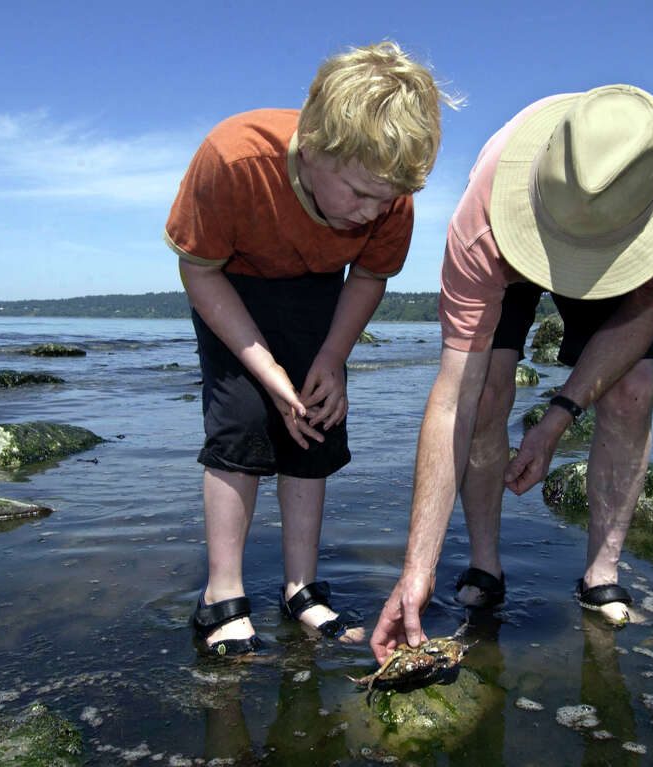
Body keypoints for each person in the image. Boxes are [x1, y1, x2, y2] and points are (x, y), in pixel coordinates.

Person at [370, 85, 653, 662]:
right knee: (486, 393)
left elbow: (642, 317)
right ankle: (484, 565)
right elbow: (451, 401)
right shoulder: (481, 221)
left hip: (627, 248)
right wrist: (417, 570)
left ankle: (601, 572)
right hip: (521, 230)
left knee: (632, 391)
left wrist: (556, 420)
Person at [166, 42, 455, 656]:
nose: (372, 212)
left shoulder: (387, 192)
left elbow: (370, 276)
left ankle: (300, 588)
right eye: (359, 193)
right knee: (240, 426)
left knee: (314, 422)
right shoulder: (234, 158)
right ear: (317, 143)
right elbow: (199, 270)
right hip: (231, 281)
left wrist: (331, 358)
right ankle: (222, 594)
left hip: (321, 290)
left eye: (387, 200)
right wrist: (264, 366)